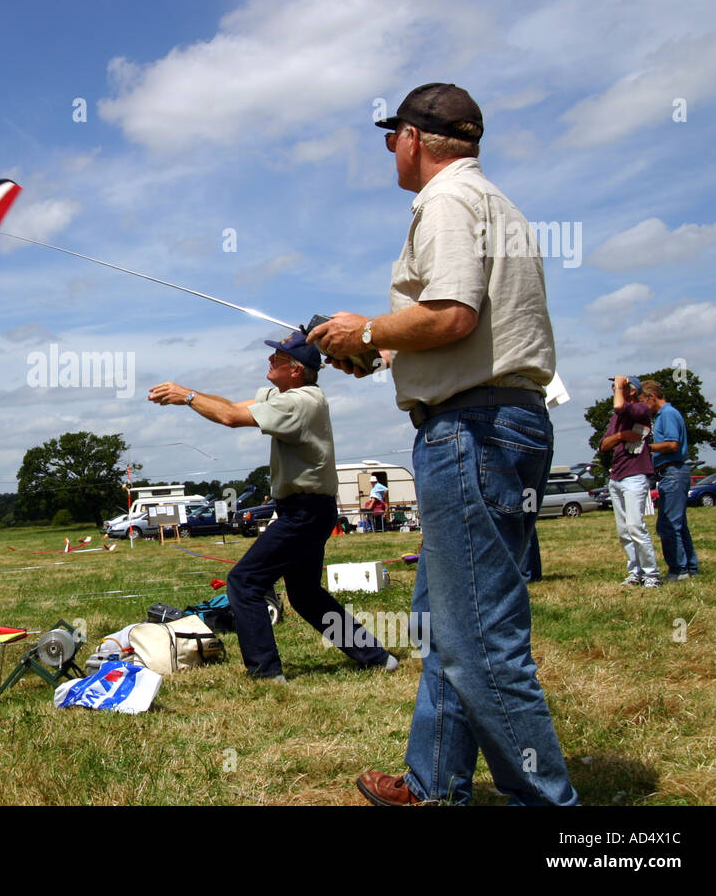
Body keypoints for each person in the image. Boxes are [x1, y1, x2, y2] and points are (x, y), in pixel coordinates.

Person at [307, 83, 577, 806]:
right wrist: (376, 352)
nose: (389, 148)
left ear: (414, 139)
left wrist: (363, 329)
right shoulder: (497, 204)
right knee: (446, 624)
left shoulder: (445, 201)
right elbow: (461, 330)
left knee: (481, 642)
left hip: (471, 431)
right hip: (498, 422)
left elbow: (452, 314)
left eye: (390, 135)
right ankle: (433, 786)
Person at [148, 332, 397, 681]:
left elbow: (231, 418)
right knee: (306, 595)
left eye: (277, 358)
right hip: (310, 510)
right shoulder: (291, 395)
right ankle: (376, 658)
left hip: (304, 513)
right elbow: (233, 406)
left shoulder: (297, 404)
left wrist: (186, 396)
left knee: (244, 582)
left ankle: (266, 671)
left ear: (296, 370)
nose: (269, 361)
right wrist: (192, 395)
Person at [601, 376, 661, 587]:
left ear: (632, 391)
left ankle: (651, 575)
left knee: (636, 526)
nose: (614, 389)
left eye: (617, 387)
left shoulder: (640, 409)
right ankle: (635, 572)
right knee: (624, 530)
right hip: (616, 476)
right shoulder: (617, 418)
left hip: (635, 475)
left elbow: (619, 405)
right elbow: (604, 445)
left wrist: (621, 383)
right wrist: (621, 436)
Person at [641, 379, 698, 580]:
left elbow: (672, 444)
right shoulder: (666, 414)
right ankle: (689, 566)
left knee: (668, 524)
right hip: (672, 472)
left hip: (672, 472)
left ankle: (678, 569)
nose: (642, 408)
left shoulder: (667, 415)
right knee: (678, 523)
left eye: (643, 401)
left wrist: (647, 447)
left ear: (652, 397)